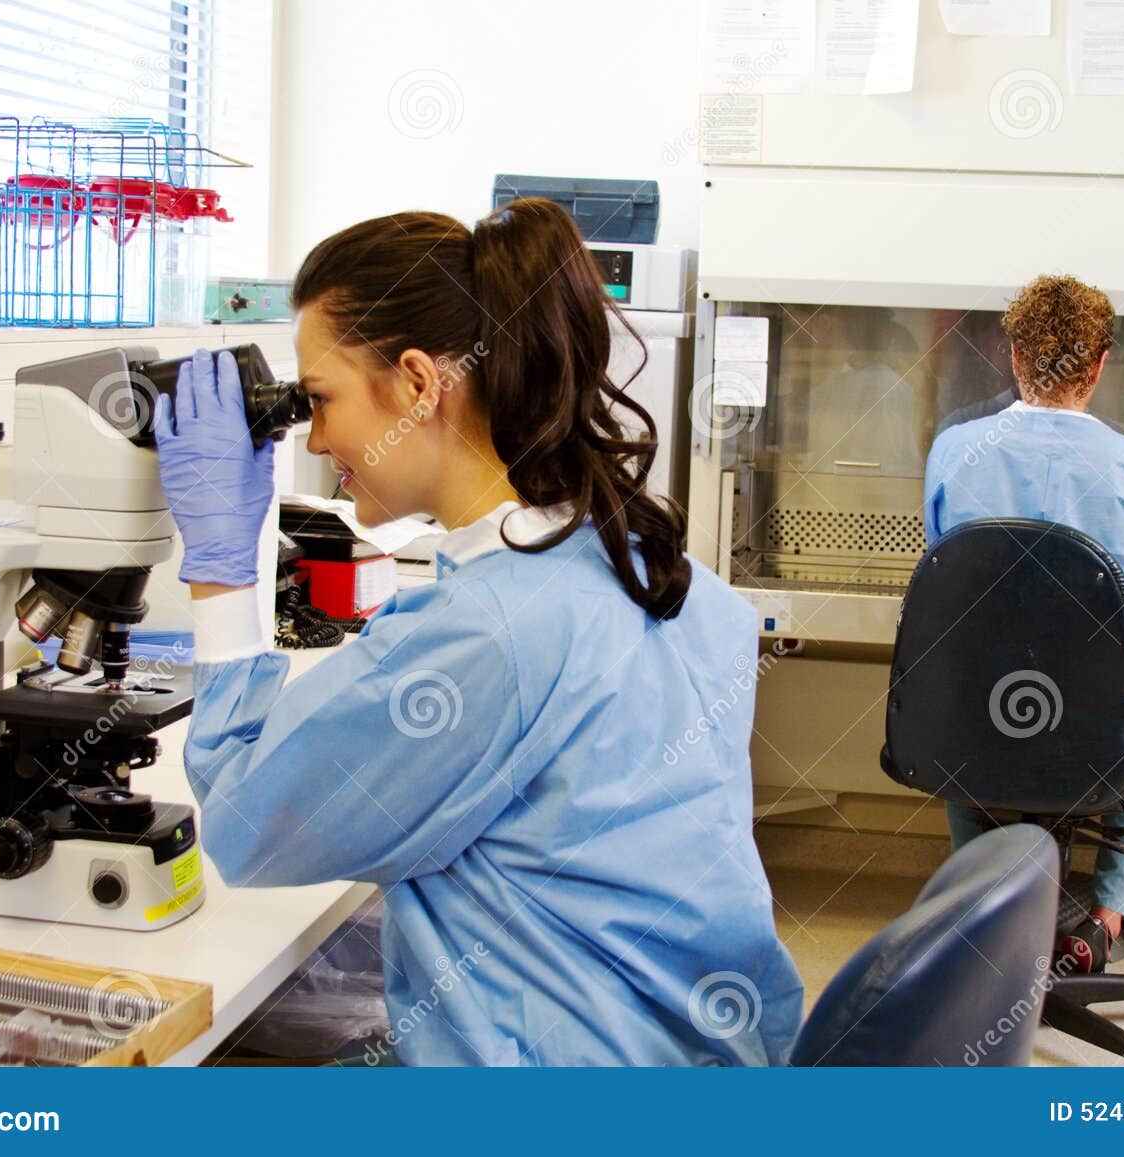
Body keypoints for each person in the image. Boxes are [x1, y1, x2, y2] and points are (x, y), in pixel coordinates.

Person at [151, 198, 803, 1065]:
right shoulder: (660, 572)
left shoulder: (485, 635)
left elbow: (247, 820)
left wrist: (223, 575)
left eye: (321, 399)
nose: (317, 437)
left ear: (419, 385)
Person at [921, 274, 1124, 973]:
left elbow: (939, 592)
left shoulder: (954, 451)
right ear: (1100, 366)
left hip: (982, 707)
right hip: (1098, 718)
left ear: (1015, 357)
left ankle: (979, 912)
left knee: (965, 706)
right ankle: (1107, 916)